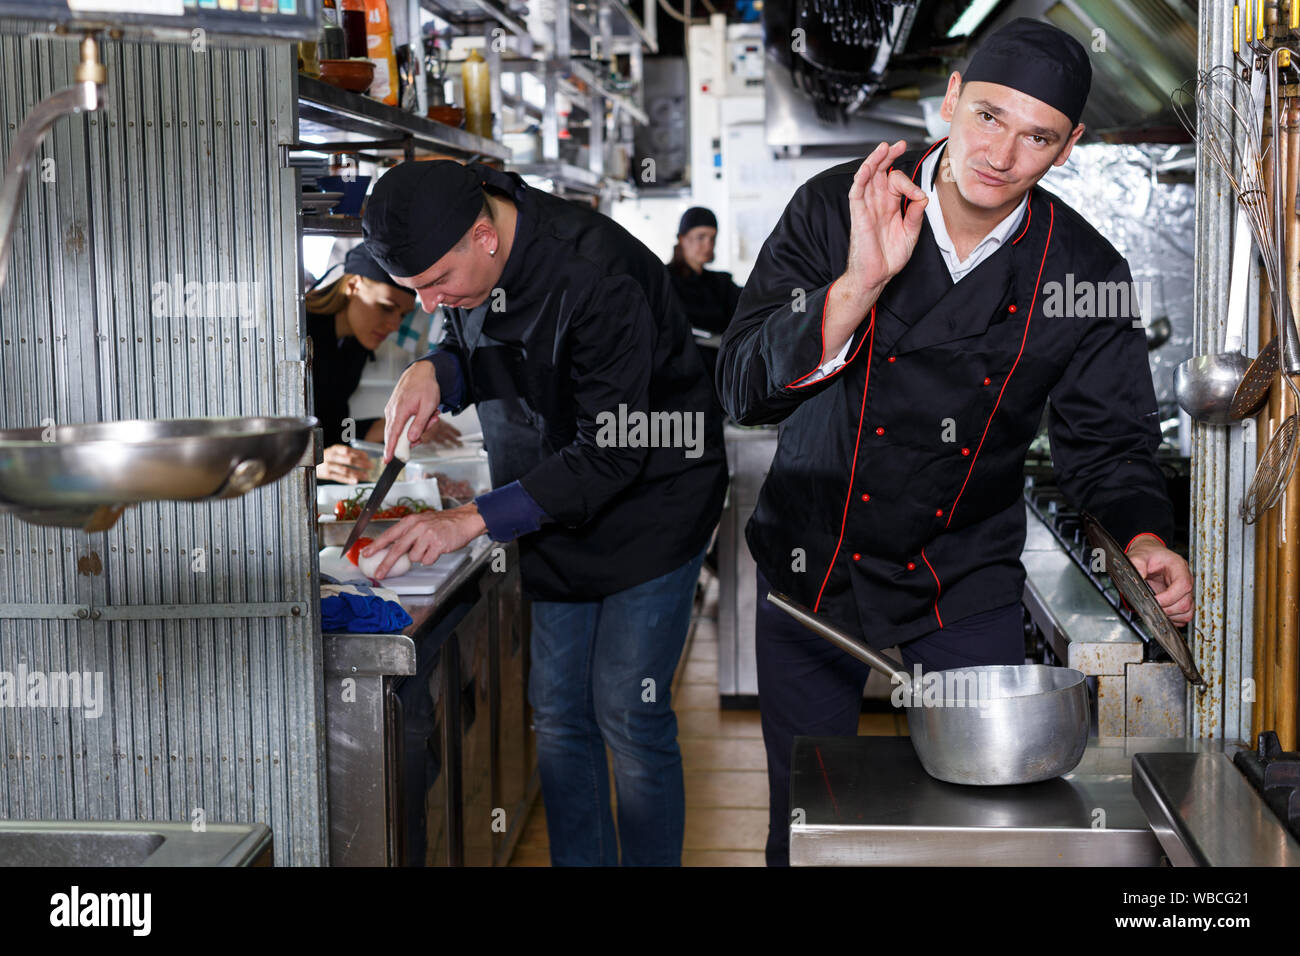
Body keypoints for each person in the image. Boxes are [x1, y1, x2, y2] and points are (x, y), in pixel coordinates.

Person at [715, 18, 1195, 867]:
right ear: (951, 100)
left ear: (1070, 145)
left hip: (960, 573)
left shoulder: (1082, 272)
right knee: (805, 818)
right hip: (812, 558)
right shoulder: (839, 206)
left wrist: (1143, 536)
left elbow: (1110, 444)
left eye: (1037, 135)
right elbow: (742, 388)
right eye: (987, 117)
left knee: (991, 820)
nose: (1001, 154)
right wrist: (858, 284)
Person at [359, 159, 729, 866]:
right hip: (547, 504)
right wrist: (437, 368)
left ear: (484, 237)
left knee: (628, 710)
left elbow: (612, 454)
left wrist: (468, 522)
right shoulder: (468, 259)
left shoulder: (597, 276)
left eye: (436, 283)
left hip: (652, 503)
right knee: (559, 714)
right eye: (415, 291)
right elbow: (473, 340)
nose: (430, 303)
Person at [306, 243, 459, 484]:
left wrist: (402, 426)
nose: (394, 326)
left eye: (402, 316)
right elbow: (263, 439)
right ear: (353, 285)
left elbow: (334, 431)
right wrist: (309, 461)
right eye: (387, 308)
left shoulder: (354, 348)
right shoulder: (299, 333)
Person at [666, 206, 742, 380]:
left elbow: (750, 302)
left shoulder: (721, 283)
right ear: (682, 238)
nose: (708, 245)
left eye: (712, 238)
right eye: (701, 237)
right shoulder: (665, 281)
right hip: (682, 378)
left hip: (719, 376)